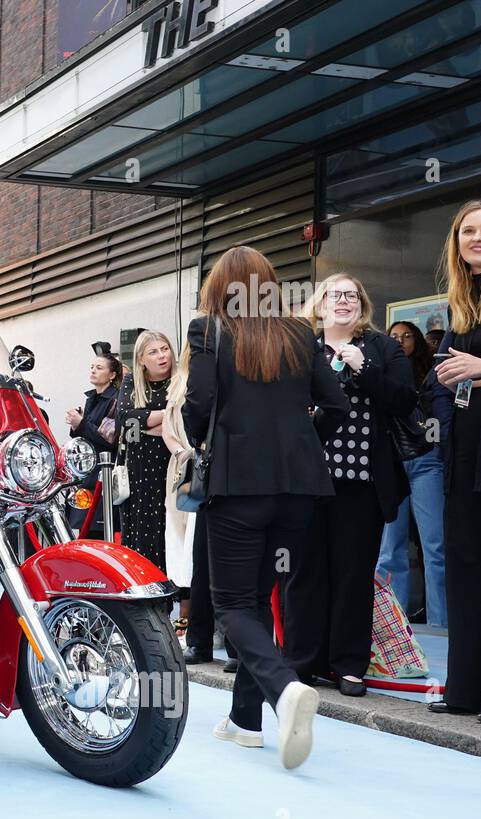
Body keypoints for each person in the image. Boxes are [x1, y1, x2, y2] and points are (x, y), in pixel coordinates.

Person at [182, 246, 347, 770]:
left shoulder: (208, 329)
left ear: (218, 286)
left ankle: (283, 691)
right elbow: (336, 405)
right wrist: (301, 443)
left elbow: (199, 405)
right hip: (299, 488)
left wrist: (199, 439)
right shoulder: (300, 333)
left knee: (232, 605)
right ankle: (244, 722)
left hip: (238, 483)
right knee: (258, 598)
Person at [282, 275, 415, 697]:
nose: (343, 301)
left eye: (352, 295)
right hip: (307, 479)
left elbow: (405, 400)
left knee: (353, 574)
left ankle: (348, 665)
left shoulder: (381, 348)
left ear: (362, 305)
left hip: (363, 481)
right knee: (305, 573)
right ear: (319, 305)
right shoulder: (300, 348)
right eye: (334, 295)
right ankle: (303, 661)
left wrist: (363, 367)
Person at [429, 199, 481, 719]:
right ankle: (464, 690)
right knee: (465, 570)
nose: (477, 237)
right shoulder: (461, 306)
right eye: (468, 230)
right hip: (464, 455)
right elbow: (441, 379)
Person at [377, 321, 447, 626]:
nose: (401, 340)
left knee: (435, 547)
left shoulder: (429, 372)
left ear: (417, 340)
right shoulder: (380, 369)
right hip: (392, 461)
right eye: (394, 336)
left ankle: (441, 625)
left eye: (407, 336)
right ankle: (393, 629)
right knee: (390, 549)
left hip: (426, 459)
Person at [121, 330, 174, 572]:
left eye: (165, 349)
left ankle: (181, 594)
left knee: (171, 525)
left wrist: (146, 424)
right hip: (140, 469)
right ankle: (148, 586)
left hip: (172, 464)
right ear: (142, 359)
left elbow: (186, 417)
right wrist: (167, 416)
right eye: (154, 352)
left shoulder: (181, 379)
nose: (162, 356)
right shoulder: (132, 381)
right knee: (143, 528)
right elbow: (125, 418)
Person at [66, 344, 124, 536]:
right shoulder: (92, 398)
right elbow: (87, 434)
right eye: (92, 366)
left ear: (112, 375)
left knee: (98, 531)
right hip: (88, 472)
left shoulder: (115, 399)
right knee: (86, 531)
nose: (93, 370)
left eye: (99, 368)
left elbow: (109, 438)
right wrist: (76, 426)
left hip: (103, 474)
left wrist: (81, 423)